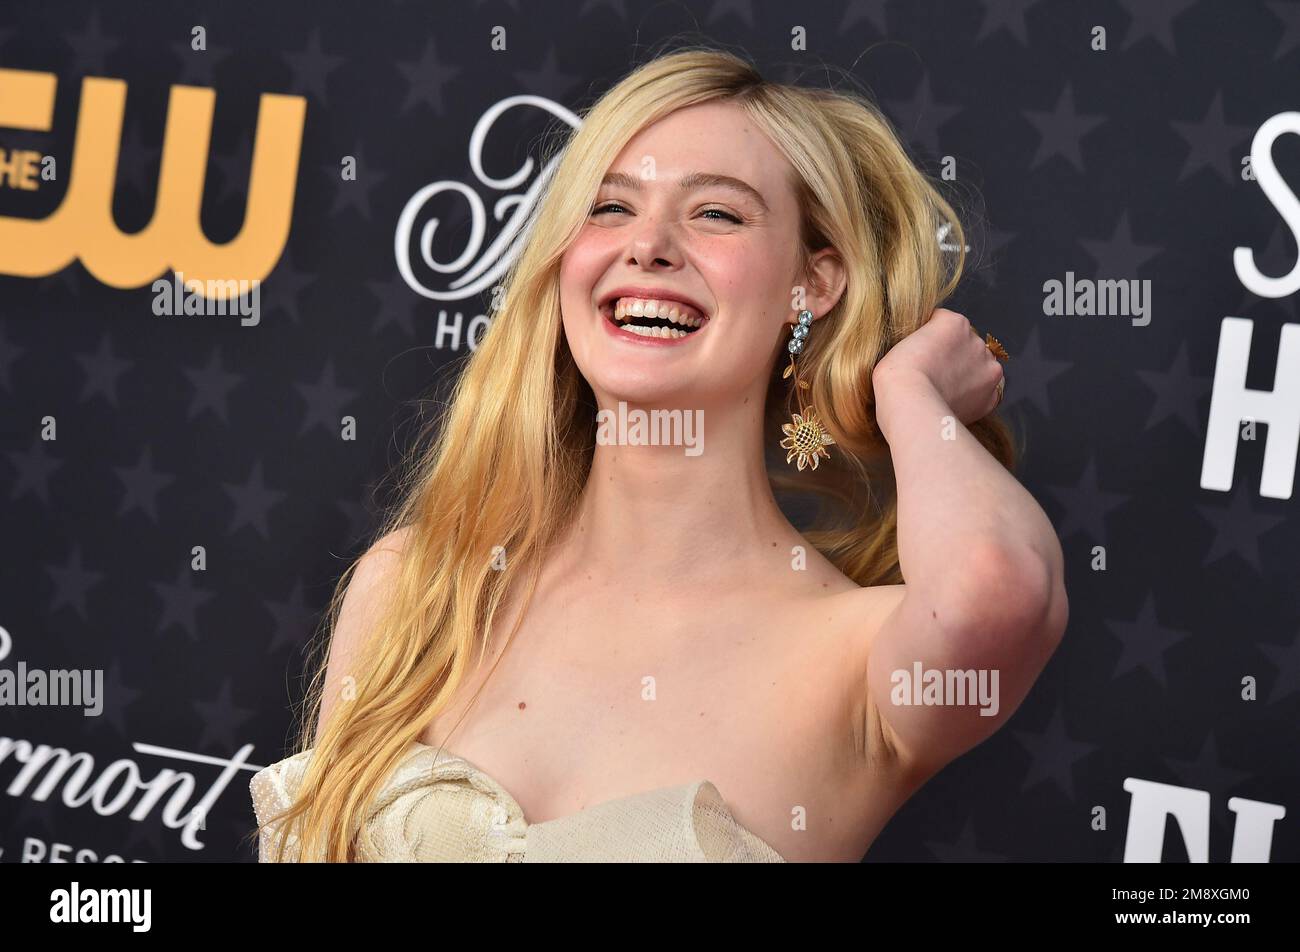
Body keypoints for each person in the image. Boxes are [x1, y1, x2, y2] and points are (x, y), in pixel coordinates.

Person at [249, 45, 1067, 863]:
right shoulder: (416, 587)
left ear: (813, 285)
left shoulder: (853, 654)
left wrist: (909, 392)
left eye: (717, 213)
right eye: (609, 208)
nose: (648, 245)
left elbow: (995, 591)